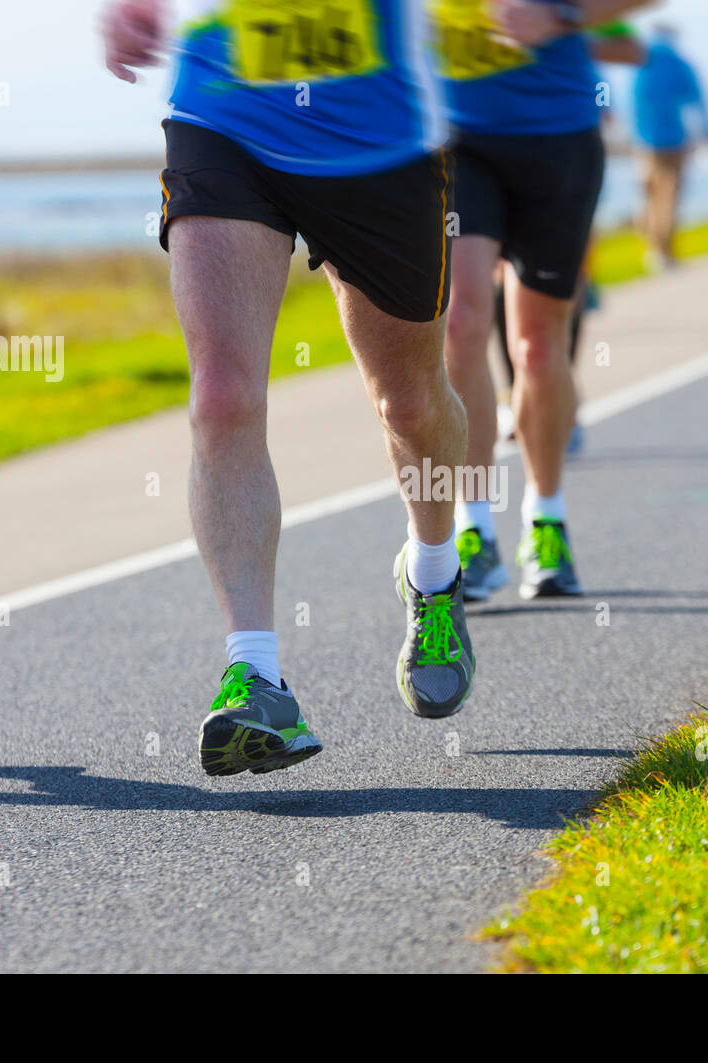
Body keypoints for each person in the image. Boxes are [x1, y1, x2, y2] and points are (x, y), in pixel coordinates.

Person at [100, 0, 476, 778]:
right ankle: (256, 675)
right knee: (222, 395)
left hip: (382, 140)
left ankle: (434, 573)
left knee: (408, 403)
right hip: (224, 114)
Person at [434, 0, 646, 603]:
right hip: (456, 138)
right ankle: (473, 531)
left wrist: (561, 17)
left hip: (559, 139)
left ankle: (545, 520)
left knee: (535, 344)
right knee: (460, 323)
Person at [633, 24, 708, 270]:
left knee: (649, 196)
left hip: (643, 140)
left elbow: (628, 99)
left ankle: (654, 249)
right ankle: (663, 253)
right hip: (674, 140)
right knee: (669, 197)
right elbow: (699, 100)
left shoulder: (640, 61)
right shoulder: (680, 64)